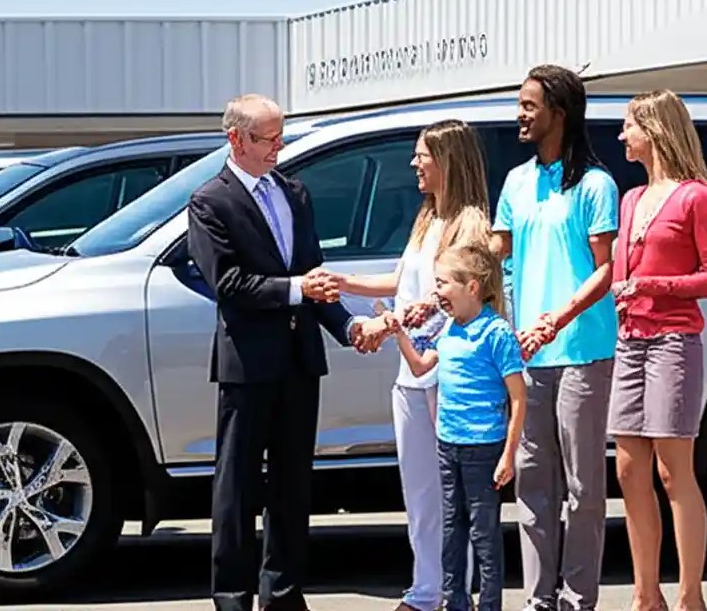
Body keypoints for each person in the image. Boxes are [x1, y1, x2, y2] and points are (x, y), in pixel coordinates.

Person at [187, 93, 392, 611]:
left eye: (281, 137)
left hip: (299, 360)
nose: (277, 148)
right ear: (235, 139)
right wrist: (298, 289)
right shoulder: (211, 201)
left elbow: (316, 276)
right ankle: (231, 596)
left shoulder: (294, 193)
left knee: (292, 485)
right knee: (236, 486)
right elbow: (228, 283)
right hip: (248, 363)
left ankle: (281, 592)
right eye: (266, 139)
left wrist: (348, 327)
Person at [329, 119, 493, 611]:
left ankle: (451, 593)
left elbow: (445, 301)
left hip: (450, 375)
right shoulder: (427, 218)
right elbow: (401, 280)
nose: (415, 164)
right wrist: (339, 281)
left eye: (423, 155)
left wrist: (388, 325)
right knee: (420, 494)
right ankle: (425, 591)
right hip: (409, 374)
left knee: (453, 495)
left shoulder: (471, 225)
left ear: (448, 160)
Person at [490, 64, 620, 611]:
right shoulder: (517, 181)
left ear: (558, 114)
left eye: (528, 105)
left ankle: (576, 600)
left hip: (582, 350)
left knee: (584, 488)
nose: (520, 115)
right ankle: (540, 600)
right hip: (529, 352)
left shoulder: (596, 184)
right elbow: (499, 252)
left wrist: (558, 318)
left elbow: (606, 269)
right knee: (532, 481)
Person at [608, 89, 707, 611]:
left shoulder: (696, 196)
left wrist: (655, 285)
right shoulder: (631, 199)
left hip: (674, 340)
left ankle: (690, 596)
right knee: (628, 468)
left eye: (629, 126)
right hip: (629, 339)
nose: (621, 136)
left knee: (671, 468)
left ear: (653, 130)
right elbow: (619, 273)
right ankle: (644, 594)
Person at [386, 241, 527, 611]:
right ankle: (456, 601)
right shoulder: (448, 328)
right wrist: (397, 332)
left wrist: (508, 456)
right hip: (448, 445)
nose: (437, 293)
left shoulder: (495, 332)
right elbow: (420, 367)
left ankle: (490, 603)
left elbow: (518, 397)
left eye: (443, 283)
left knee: (484, 532)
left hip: (484, 447)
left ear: (472, 287)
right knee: (453, 528)